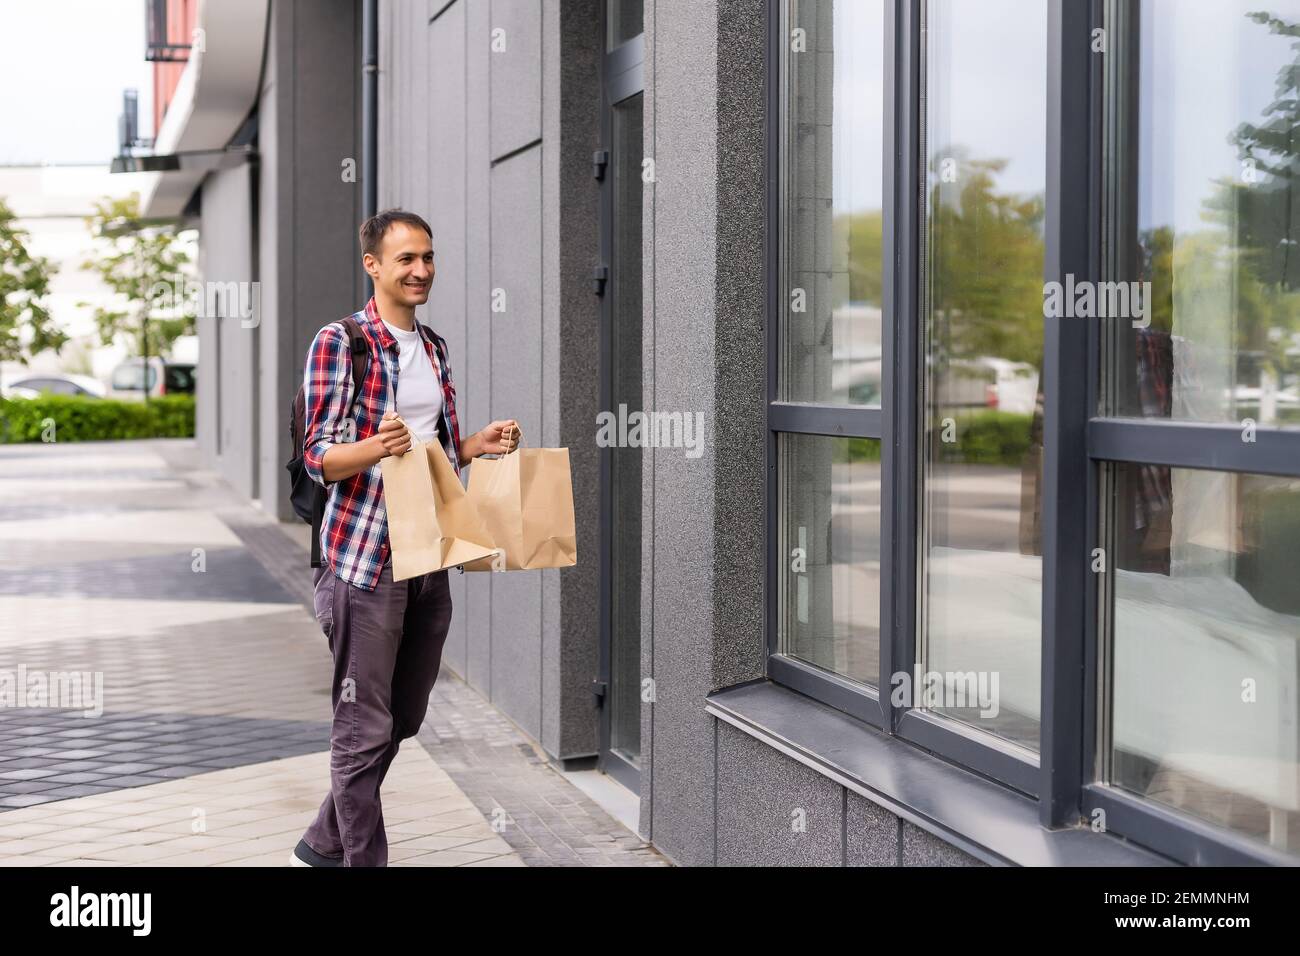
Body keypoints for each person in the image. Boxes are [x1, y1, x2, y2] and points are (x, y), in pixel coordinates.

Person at [291, 209, 520, 867]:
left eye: (428, 257)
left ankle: (318, 841)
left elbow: (436, 449)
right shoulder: (341, 342)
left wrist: (474, 445)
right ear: (373, 266)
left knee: (405, 716)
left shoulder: (434, 347)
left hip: (428, 552)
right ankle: (361, 858)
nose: (421, 270)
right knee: (363, 728)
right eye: (406, 260)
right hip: (363, 561)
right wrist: (371, 447)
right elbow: (318, 456)